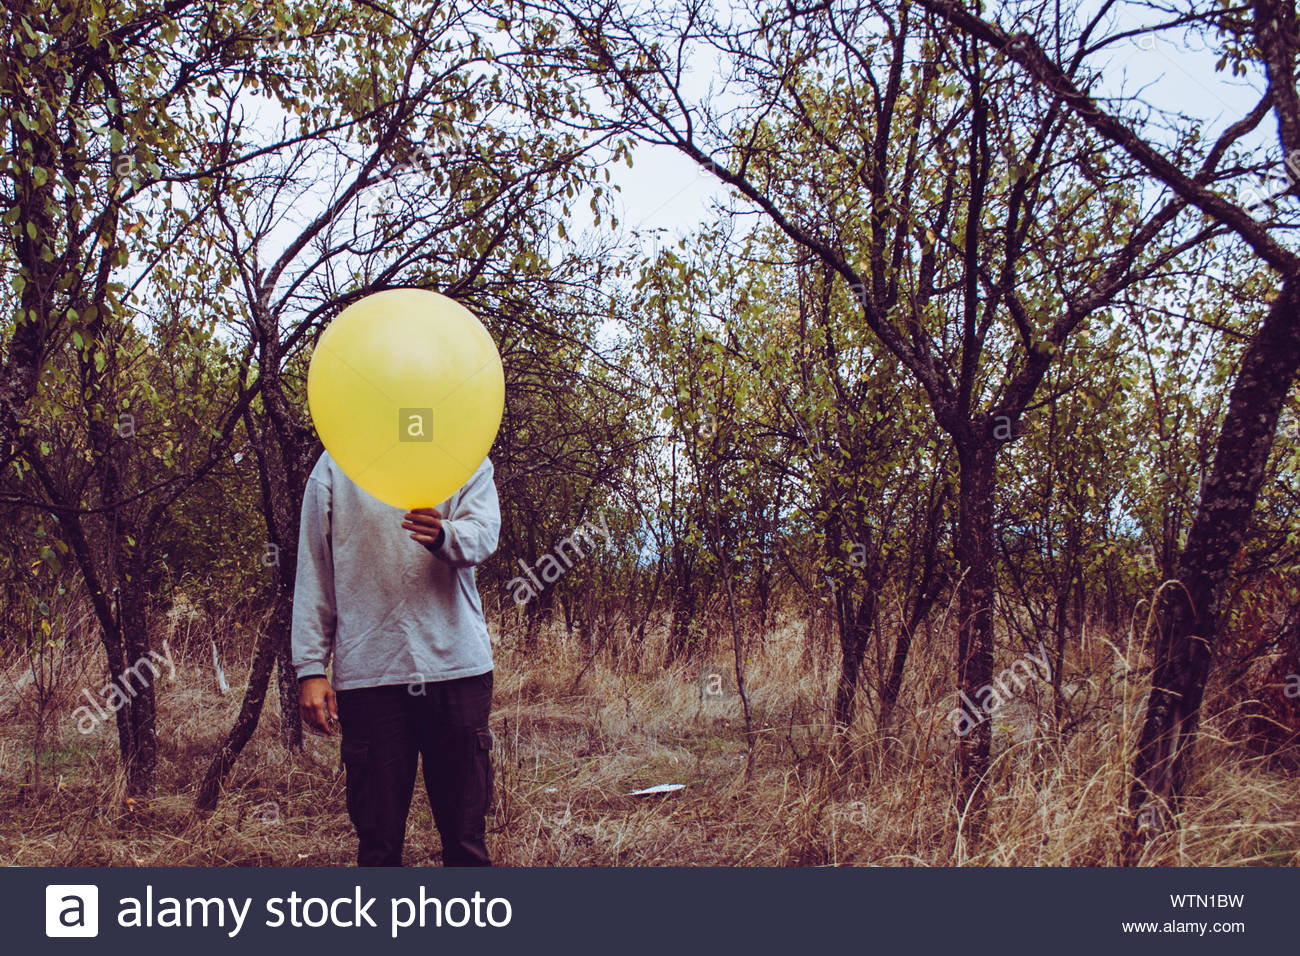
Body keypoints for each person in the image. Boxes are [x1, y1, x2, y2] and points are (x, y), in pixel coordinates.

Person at [290, 450, 500, 867]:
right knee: (378, 848)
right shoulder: (336, 462)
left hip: (455, 670)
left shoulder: (462, 448)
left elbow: (484, 534)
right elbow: (314, 565)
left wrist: (445, 536)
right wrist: (310, 667)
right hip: (371, 678)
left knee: (466, 843)